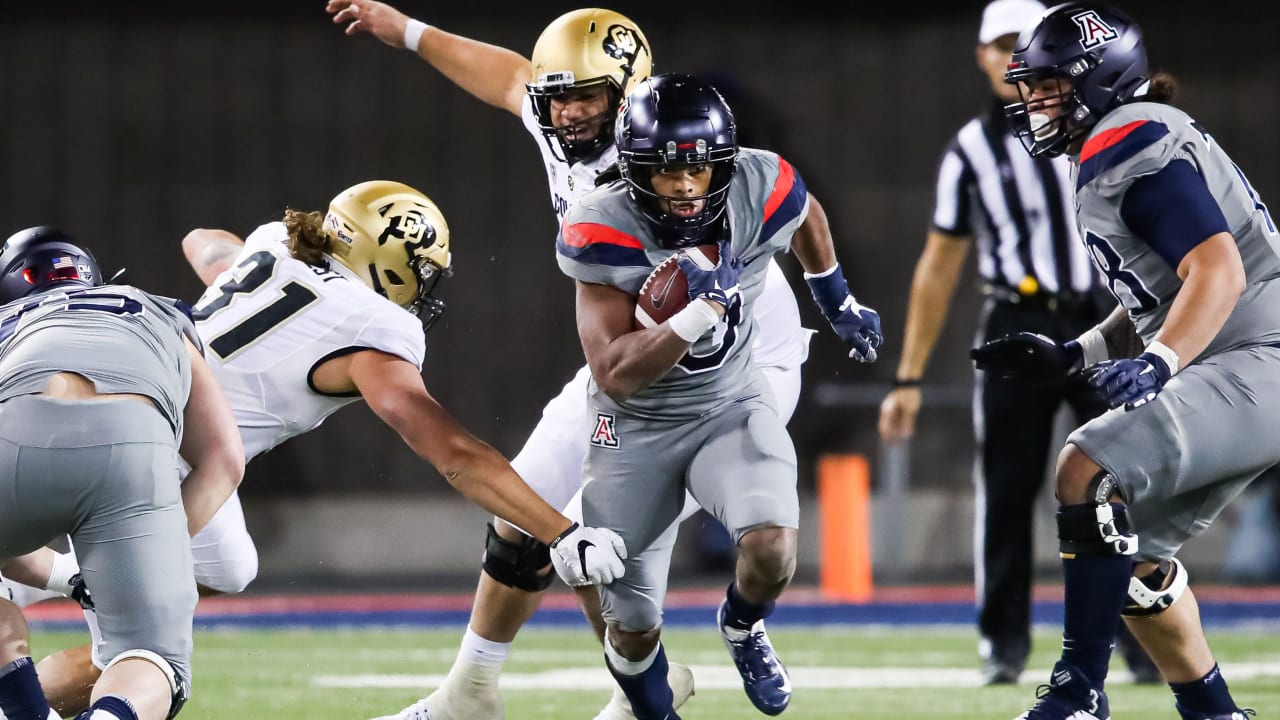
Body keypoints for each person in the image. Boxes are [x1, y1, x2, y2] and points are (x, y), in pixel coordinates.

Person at [326, 4, 811, 719]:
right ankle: (471, 691)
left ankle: (644, 691)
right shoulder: (563, 117)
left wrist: (830, 289)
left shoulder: (670, 160)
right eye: (563, 97)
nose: (571, 113)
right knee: (524, 510)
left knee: (593, 539)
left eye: (588, 97)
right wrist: (405, 30)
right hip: (642, 358)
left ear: (629, 93)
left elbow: (786, 209)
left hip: (734, 363)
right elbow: (510, 78)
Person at [20, 181, 630, 718]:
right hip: (163, 455)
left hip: (135, 415)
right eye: (421, 269)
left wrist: (238, 270)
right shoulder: (374, 325)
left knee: (229, 568)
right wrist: (558, 530)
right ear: (390, 263)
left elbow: (201, 240)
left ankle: (56, 581)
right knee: (141, 652)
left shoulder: (276, 244)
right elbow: (452, 451)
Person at [972, 3, 1277, 718]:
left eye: (1050, 86)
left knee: (1087, 467)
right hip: (1244, 357)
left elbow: (1218, 271)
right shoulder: (1121, 138)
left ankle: (1080, 691)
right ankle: (1214, 711)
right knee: (1128, 560)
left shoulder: (1128, 138)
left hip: (1257, 354)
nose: (1035, 102)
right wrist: (1076, 353)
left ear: (1101, 78)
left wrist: (1162, 362)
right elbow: (1158, 293)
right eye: (1032, 87)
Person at [557, 72, 881, 720]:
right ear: (633, 170)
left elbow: (806, 212)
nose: (682, 186)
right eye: (664, 171)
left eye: (699, 170)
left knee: (772, 550)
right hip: (630, 427)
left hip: (728, 401)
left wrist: (835, 297)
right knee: (631, 623)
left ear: (724, 163)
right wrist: (695, 316)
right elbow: (615, 371)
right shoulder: (601, 225)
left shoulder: (762, 184)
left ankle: (742, 625)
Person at [876, 0, 1156, 686]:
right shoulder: (972, 150)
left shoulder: (1103, 129)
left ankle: (1141, 635)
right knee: (1006, 488)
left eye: (1020, 45)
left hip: (1101, 311)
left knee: (1118, 479)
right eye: (999, 46)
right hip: (1016, 321)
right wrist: (907, 377)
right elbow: (939, 265)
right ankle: (1003, 645)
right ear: (981, 56)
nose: (1010, 60)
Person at [0, 226, 246, 720]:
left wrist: (68, 578)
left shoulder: (6, 321)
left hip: (14, 433)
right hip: (133, 455)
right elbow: (225, 459)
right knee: (152, 658)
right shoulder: (153, 307)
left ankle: (23, 710)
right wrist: (155, 553)